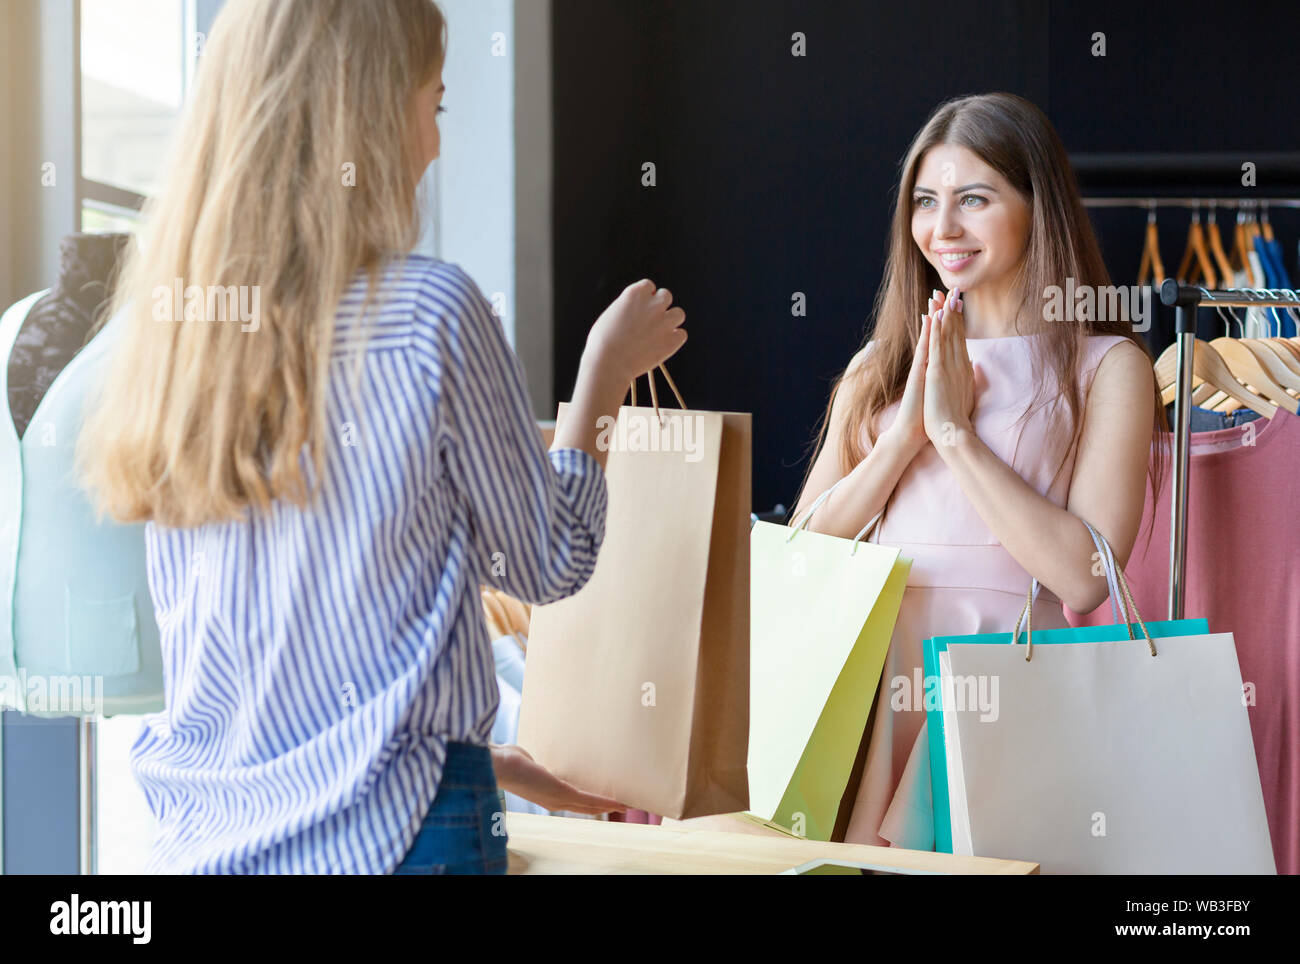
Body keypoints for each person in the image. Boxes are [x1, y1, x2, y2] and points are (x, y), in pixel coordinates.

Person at [76, 0, 686, 874]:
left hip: (205, 839)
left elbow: (259, 642)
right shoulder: (429, 314)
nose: (435, 145)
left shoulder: (179, 344)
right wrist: (603, 378)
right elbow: (547, 561)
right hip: (402, 838)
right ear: (362, 112)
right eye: (431, 105)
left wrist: (474, 759)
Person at [792, 92, 1167, 848]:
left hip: (1008, 669)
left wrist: (955, 436)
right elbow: (803, 547)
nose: (943, 229)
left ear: (1039, 206)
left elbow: (1088, 575)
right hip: (875, 669)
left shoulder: (1108, 367)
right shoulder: (880, 366)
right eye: (926, 202)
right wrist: (903, 441)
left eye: (974, 199)